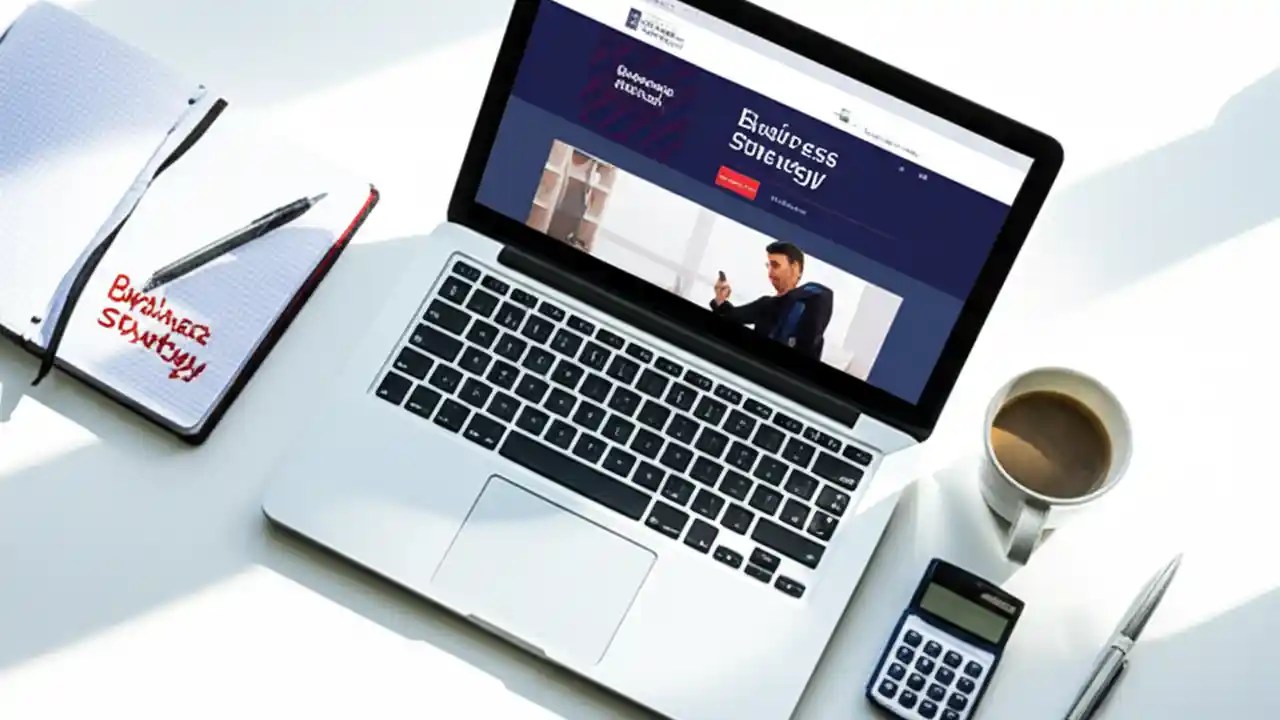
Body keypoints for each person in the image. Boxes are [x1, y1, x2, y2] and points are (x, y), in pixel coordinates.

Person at [710, 242, 834, 360]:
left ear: (794, 267)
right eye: (768, 266)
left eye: (775, 265)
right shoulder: (766, 305)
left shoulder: (814, 298)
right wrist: (720, 298)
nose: (770, 273)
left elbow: (823, 297)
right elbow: (731, 316)